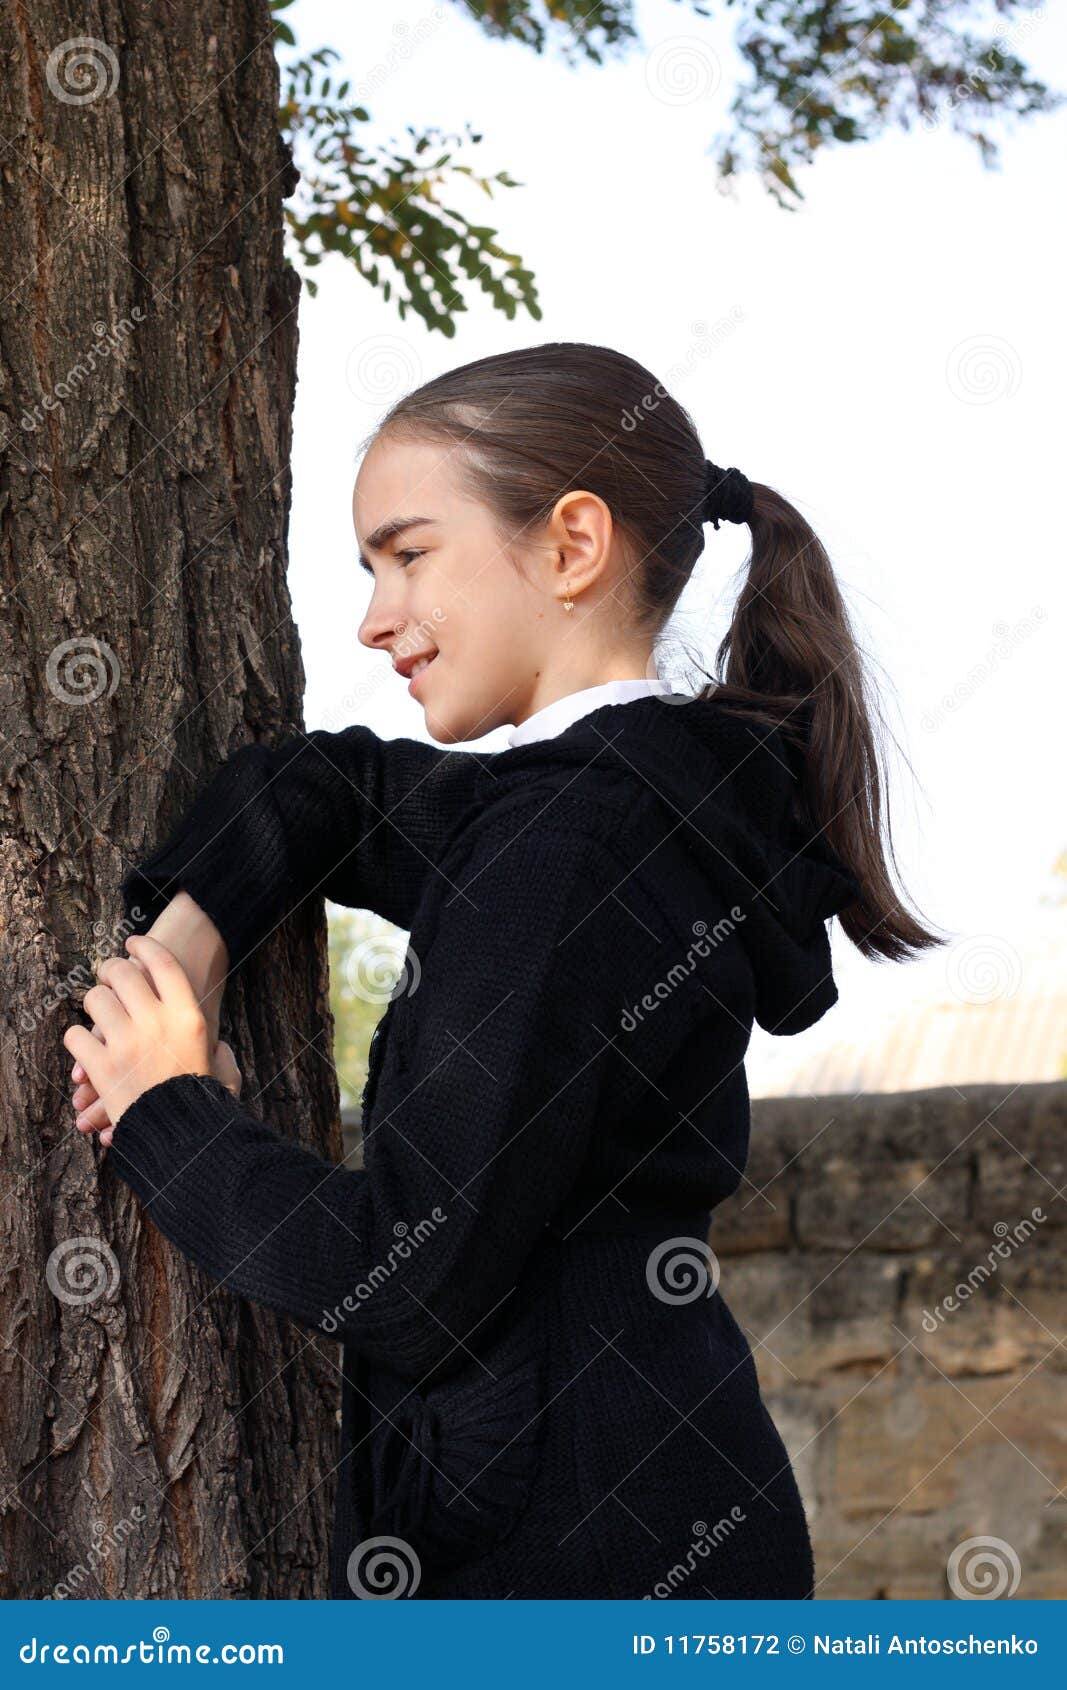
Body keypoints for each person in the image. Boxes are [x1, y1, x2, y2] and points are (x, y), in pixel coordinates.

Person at [64, 342, 944, 1600]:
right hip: (642, 1501)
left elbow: (409, 1270)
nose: (373, 618)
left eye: (408, 554)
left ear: (572, 546)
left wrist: (167, 1112)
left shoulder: (568, 842)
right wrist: (192, 940)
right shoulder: (622, 803)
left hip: (579, 1558)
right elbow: (336, 791)